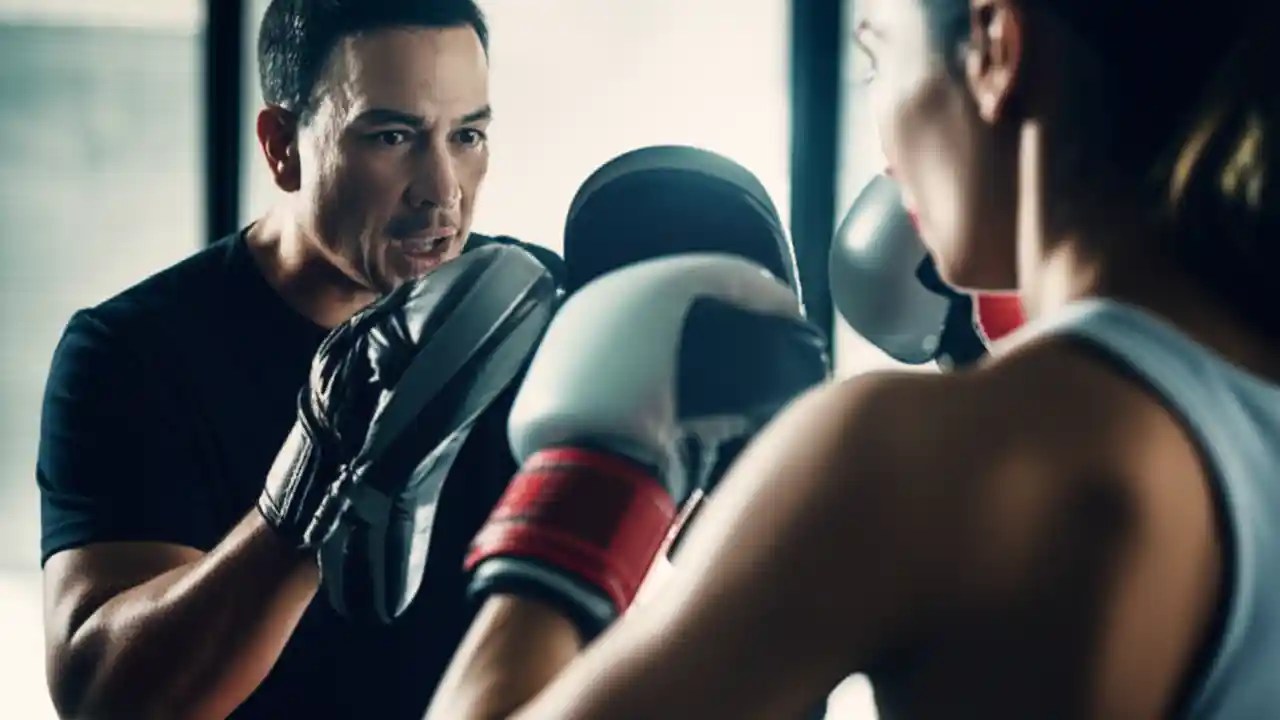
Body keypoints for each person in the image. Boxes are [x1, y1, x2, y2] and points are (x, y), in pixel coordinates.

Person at [429, 0, 1280, 717]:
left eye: (876, 58)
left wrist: (586, 487)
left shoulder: (927, 455)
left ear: (994, 48)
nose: (885, 146)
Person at [36, 1, 563, 718]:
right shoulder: (133, 355)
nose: (442, 190)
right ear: (283, 145)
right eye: (392, 135)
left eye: (467, 134)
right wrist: (316, 482)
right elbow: (102, 700)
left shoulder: (532, 310)